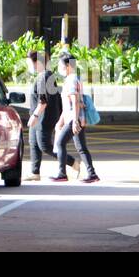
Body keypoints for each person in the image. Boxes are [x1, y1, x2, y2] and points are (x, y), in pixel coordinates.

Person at [26, 50, 74, 181]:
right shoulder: (44, 75)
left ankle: (73, 163)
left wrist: (34, 116)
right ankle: (34, 172)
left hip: (44, 117)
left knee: (45, 146)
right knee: (33, 143)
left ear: (38, 63)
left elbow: (43, 100)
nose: (28, 66)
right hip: (40, 116)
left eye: (29, 63)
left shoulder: (44, 76)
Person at [51, 53, 99, 184]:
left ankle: (62, 174)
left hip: (74, 119)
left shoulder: (71, 79)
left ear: (67, 66)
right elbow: (70, 105)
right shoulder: (74, 78)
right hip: (74, 118)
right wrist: (61, 121)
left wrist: (75, 121)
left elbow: (75, 100)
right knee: (81, 147)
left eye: (60, 65)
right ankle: (92, 174)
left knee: (60, 143)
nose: (59, 68)